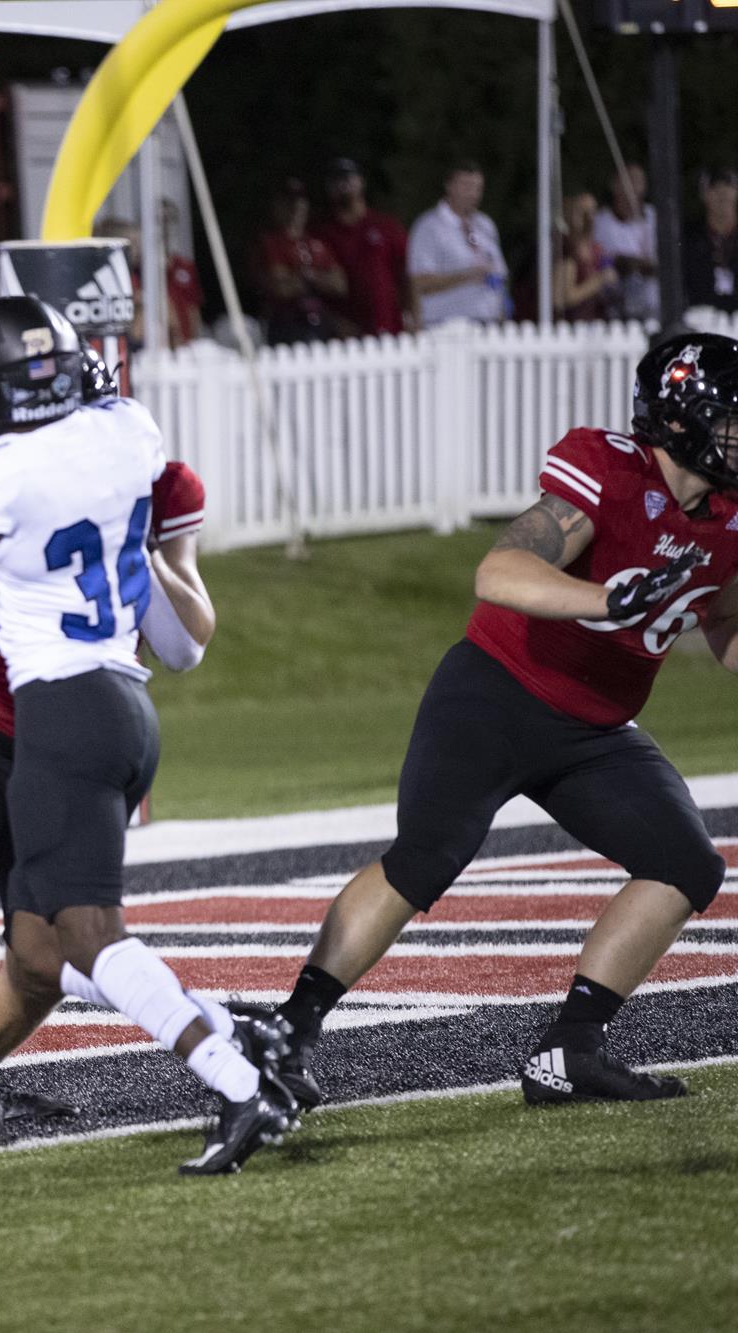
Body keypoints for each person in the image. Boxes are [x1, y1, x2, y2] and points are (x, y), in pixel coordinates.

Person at [272, 332, 738, 1114]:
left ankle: (571, 1047)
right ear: (686, 418)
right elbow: (499, 571)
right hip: (500, 692)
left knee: (686, 863)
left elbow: (722, 624)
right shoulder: (610, 470)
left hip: (594, 730)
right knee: (426, 858)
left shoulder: (726, 517)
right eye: (732, 418)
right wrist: (603, 598)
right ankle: (288, 1031)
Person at [0, 297, 297, 1173]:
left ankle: (237, 1081)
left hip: (62, 713)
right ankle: (236, 1039)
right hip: (127, 702)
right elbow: (177, 629)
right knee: (44, 946)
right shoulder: (131, 432)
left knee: (91, 934)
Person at [312, 157, 416, 337]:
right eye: (336, 180)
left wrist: (414, 318)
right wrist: (334, 323)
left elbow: (408, 276)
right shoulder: (319, 234)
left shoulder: (386, 226)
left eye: (348, 178)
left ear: (361, 182)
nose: (343, 185)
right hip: (345, 334)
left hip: (389, 328)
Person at [408, 161, 510, 327]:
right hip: (446, 327)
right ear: (449, 186)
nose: (473, 193)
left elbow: (500, 276)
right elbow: (420, 282)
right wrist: (466, 276)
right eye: (466, 186)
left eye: (478, 187)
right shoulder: (429, 227)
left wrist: (503, 311)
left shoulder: (485, 225)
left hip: (488, 324)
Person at [251, 178, 347, 345]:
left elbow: (340, 285)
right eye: (290, 202)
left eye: (301, 202)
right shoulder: (270, 243)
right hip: (286, 324)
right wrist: (318, 278)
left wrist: (304, 276)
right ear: (278, 205)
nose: (296, 207)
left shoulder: (315, 243)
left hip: (321, 323)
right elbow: (281, 287)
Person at [594, 163, 660, 323]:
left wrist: (635, 264)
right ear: (614, 185)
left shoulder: (654, 217)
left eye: (638, 181)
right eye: (628, 180)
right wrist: (636, 265)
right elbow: (610, 262)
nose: (633, 187)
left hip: (654, 310)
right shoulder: (601, 222)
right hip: (617, 312)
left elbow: (661, 264)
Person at [554, 189, 619, 324]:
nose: (589, 217)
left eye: (592, 211)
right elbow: (562, 298)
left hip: (598, 325)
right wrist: (598, 281)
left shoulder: (598, 250)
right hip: (572, 328)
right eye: (583, 212)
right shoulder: (566, 250)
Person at [682, 166, 738, 316]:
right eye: (714, 188)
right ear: (704, 195)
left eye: (728, 186)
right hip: (700, 317)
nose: (723, 193)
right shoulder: (689, 236)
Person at [158, 200, 205, 348]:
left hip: (185, 344)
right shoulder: (145, 269)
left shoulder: (185, 266)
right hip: (159, 347)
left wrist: (195, 342)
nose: (165, 226)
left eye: (170, 220)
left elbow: (193, 308)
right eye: (160, 220)